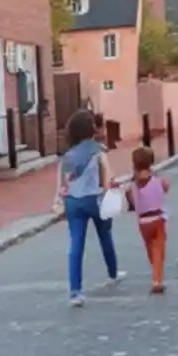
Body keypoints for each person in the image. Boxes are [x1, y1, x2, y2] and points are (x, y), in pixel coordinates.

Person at [58, 110, 123, 307]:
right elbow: (106, 177)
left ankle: (75, 291)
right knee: (105, 234)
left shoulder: (67, 156)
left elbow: (63, 183)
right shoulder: (98, 150)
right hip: (94, 199)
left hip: (73, 202)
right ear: (91, 129)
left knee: (76, 245)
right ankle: (113, 273)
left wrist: (61, 200)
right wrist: (110, 189)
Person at [124, 146, 170, 295]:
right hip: (158, 218)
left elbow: (130, 200)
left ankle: (155, 271)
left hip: (143, 221)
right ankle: (157, 280)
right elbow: (165, 187)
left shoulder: (133, 185)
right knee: (159, 249)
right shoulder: (157, 181)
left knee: (150, 248)